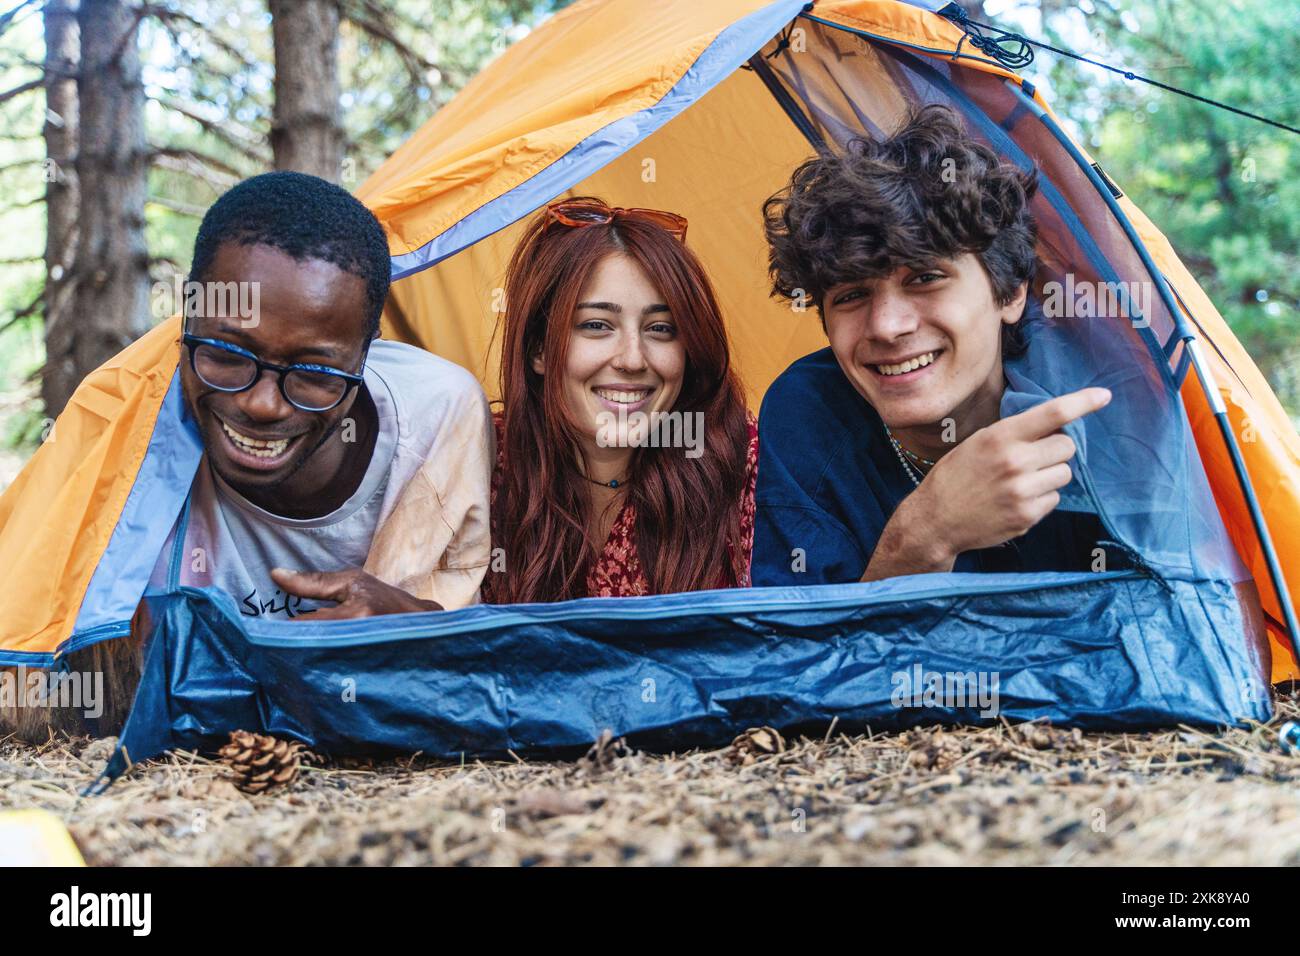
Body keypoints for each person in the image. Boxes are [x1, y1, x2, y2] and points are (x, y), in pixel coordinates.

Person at [2, 171, 493, 739]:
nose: (262, 405)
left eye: (314, 371)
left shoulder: (437, 414)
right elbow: (30, 631)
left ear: (367, 352)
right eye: (228, 354)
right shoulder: (125, 423)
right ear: (185, 322)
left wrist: (413, 626)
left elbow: (447, 652)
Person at [753, 105, 1113, 587]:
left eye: (925, 278)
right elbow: (802, 657)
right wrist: (925, 534)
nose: (886, 326)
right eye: (852, 295)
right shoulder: (809, 412)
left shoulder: (1101, 410)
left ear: (1009, 292)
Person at [483, 198, 757, 602]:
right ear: (539, 349)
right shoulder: (482, 459)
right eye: (597, 325)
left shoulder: (743, 462)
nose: (632, 359)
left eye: (661, 328)